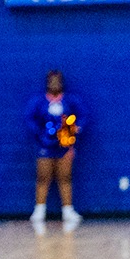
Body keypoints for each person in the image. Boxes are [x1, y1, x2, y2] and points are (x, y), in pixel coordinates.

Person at [29, 70, 82, 227]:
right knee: (43, 177)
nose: (55, 84)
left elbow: (83, 115)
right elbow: (29, 118)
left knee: (65, 177)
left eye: (57, 81)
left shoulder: (70, 101)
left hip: (64, 145)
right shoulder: (39, 102)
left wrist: (76, 128)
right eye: (51, 81)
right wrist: (39, 132)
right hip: (45, 145)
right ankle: (39, 210)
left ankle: (67, 210)